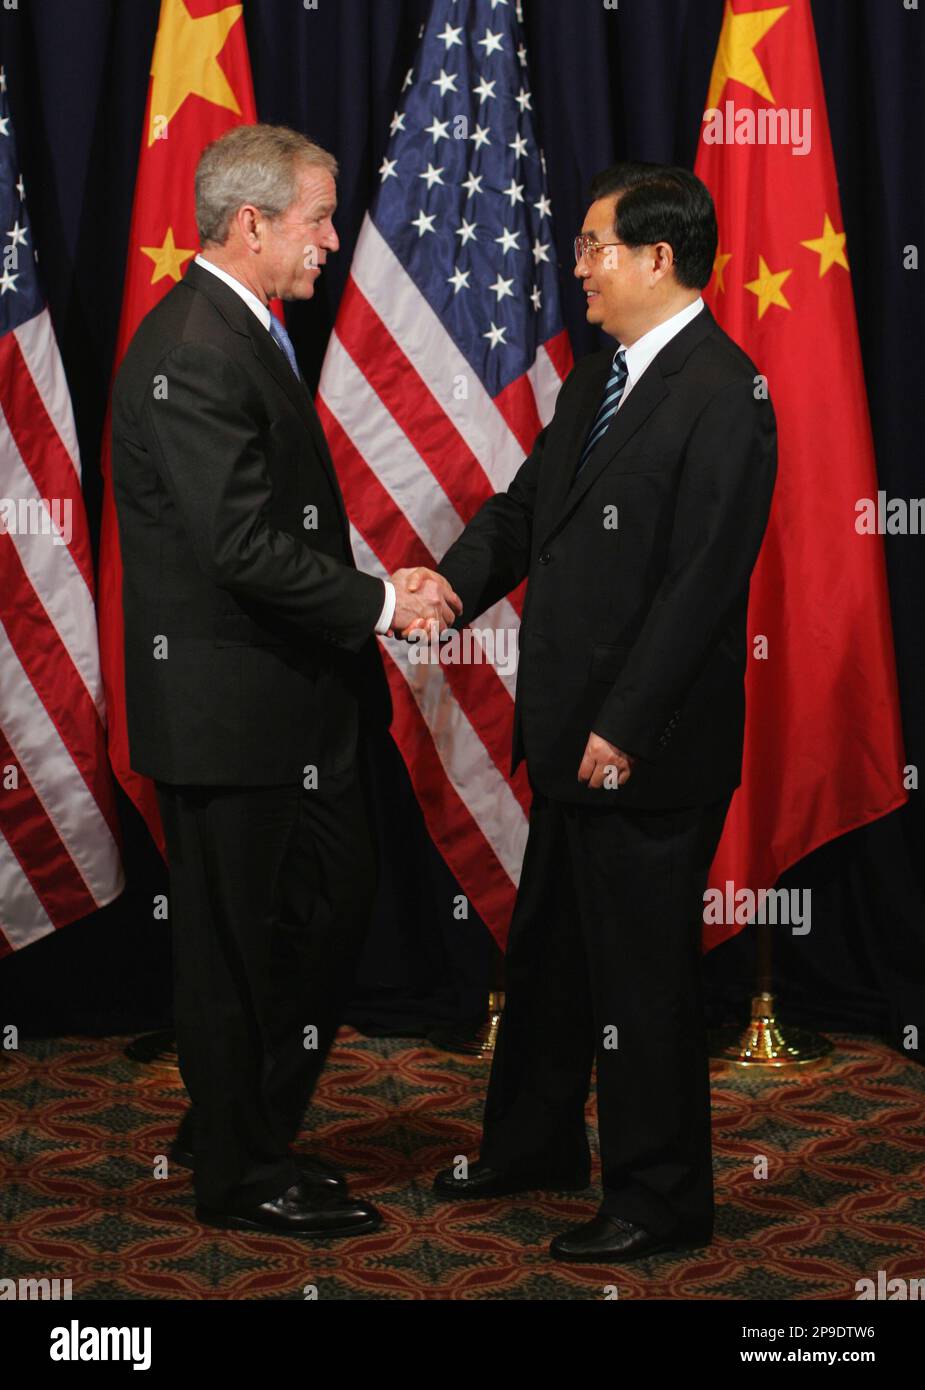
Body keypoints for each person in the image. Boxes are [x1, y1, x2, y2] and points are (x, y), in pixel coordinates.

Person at [111, 123, 460, 1237]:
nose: (329, 243)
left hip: (290, 709)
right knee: (236, 950)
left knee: (316, 917)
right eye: (316, 220)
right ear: (251, 222)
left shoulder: (242, 328)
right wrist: (379, 603)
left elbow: (268, 526)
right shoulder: (195, 347)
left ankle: (235, 1125)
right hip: (229, 716)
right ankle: (238, 1172)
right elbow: (236, 547)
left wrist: (368, 593)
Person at [429, 161, 777, 1261]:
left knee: (640, 976)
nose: (576, 265)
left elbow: (702, 586)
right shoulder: (601, 377)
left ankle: (659, 1197)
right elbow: (528, 509)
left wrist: (620, 726)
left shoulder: (728, 392)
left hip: (643, 748)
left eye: (592, 246)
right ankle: (532, 1144)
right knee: (550, 956)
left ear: (657, 258)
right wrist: (448, 585)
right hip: (564, 736)